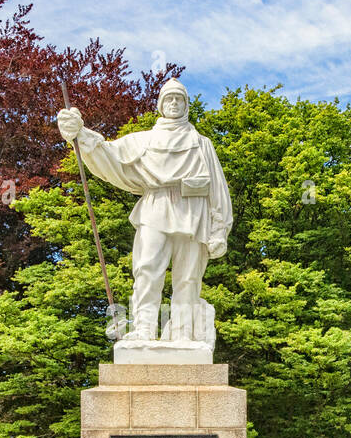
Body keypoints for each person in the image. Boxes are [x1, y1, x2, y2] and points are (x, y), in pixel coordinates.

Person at [57, 77, 233, 343]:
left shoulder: (202, 143)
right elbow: (109, 153)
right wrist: (79, 134)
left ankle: (183, 333)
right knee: (147, 270)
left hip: (194, 212)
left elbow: (217, 190)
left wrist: (220, 231)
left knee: (188, 277)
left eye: (179, 99)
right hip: (155, 207)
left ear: (186, 105)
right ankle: (144, 329)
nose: (174, 103)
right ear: (161, 105)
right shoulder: (144, 140)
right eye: (169, 99)